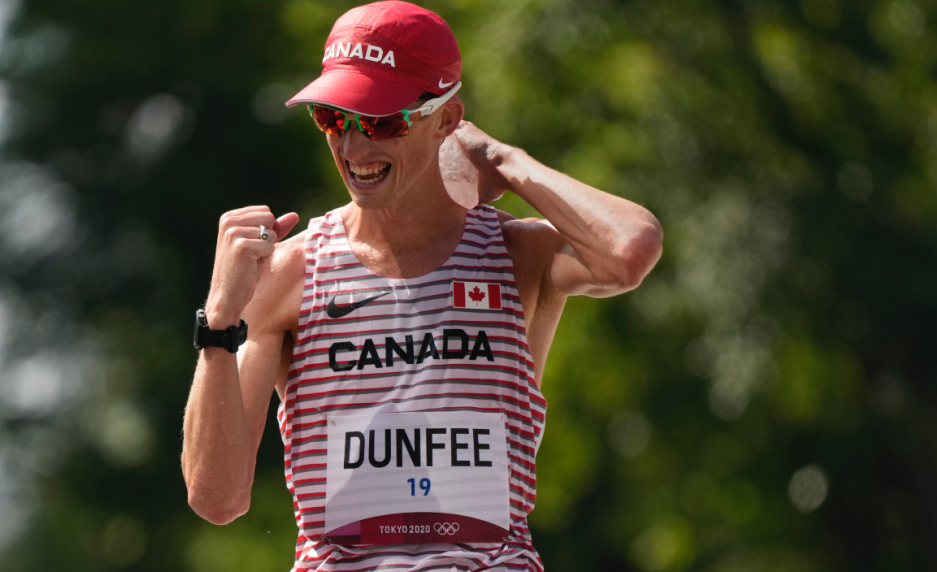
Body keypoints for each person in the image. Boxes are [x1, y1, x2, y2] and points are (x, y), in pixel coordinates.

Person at [181, 1, 662, 570]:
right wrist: (219, 319)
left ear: (446, 119)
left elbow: (628, 252)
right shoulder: (292, 272)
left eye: (381, 122)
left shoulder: (516, 254)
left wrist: (502, 159)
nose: (354, 149)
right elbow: (217, 499)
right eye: (333, 118)